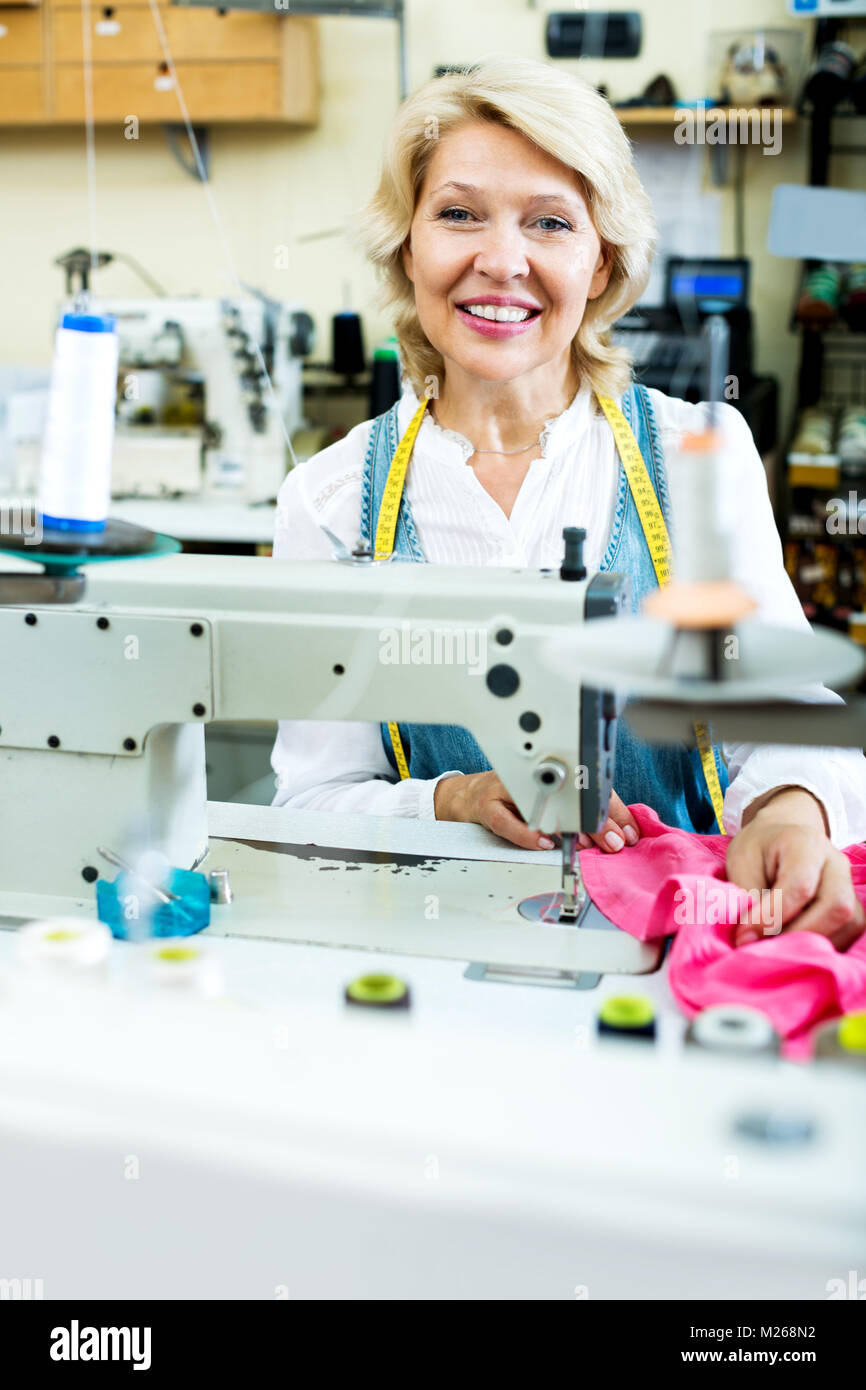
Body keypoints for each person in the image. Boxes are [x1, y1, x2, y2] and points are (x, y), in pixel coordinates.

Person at [272, 54, 866, 948]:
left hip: (677, 951)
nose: (500, 261)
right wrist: (452, 798)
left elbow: (786, 716)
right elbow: (312, 801)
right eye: (459, 213)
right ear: (408, 244)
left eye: (550, 222)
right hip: (436, 950)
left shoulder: (694, 453)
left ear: (601, 263)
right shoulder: (327, 501)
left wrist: (791, 810)